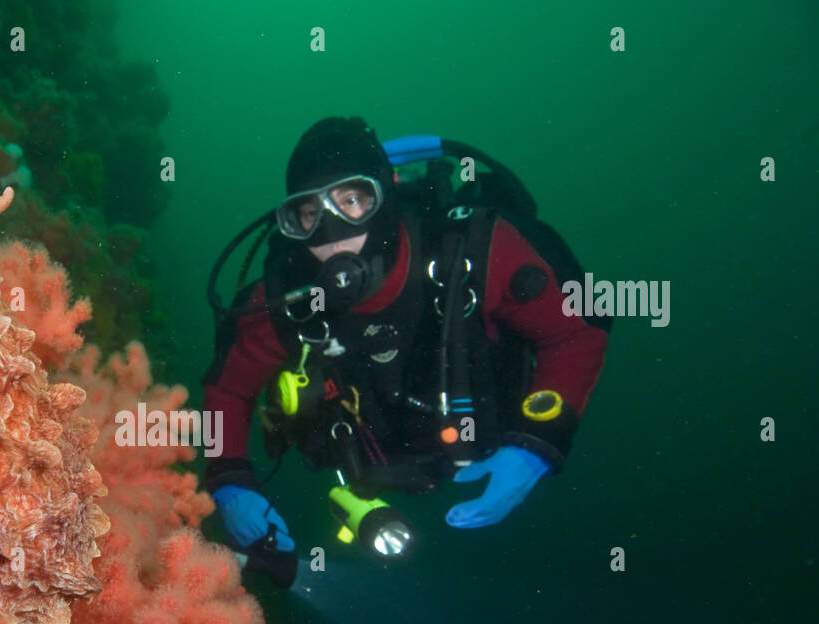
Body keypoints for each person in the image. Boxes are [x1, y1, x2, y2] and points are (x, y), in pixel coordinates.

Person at [202, 117, 610, 586]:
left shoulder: (478, 250)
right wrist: (230, 476)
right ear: (291, 222)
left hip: (503, 466)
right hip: (366, 487)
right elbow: (227, 391)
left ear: (387, 196)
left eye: (353, 200)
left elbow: (577, 330)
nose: (332, 229)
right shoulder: (281, 302)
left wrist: (539, 443)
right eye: (309, 213)